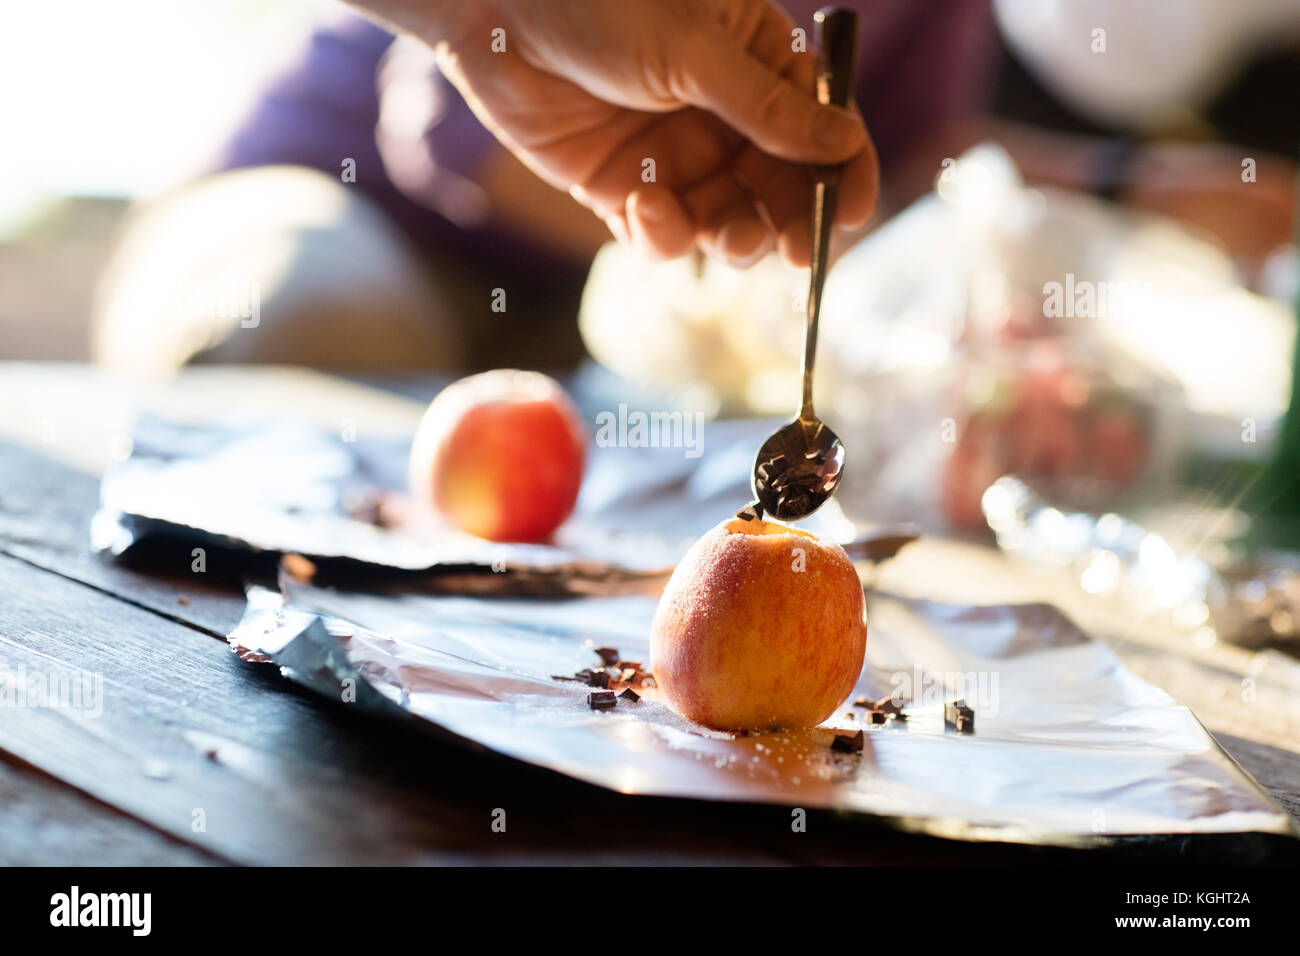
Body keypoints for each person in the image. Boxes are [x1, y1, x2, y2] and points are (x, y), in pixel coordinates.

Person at [92, 0, 996, 372]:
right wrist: (712, 272)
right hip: (326, 202)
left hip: (572, 314)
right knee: (315, 318)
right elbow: (441, 133)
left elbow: (905, 155)